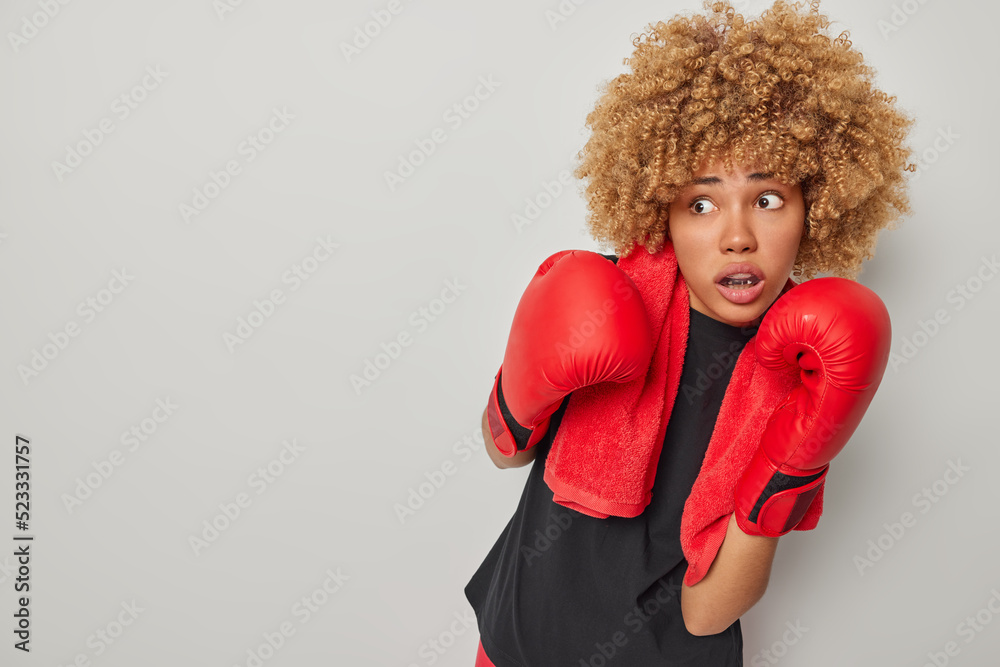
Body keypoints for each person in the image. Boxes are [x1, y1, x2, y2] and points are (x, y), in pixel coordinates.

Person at [465, 1, 913, 664]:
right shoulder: (601, 299)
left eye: (767, 199)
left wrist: (790, 466)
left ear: (813, 205)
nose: (737, 236)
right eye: (701, 203)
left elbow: (707, 613)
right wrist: (516, 398)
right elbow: (503, 452)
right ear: (662, 208)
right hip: (512, 645)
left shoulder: (810, 370)